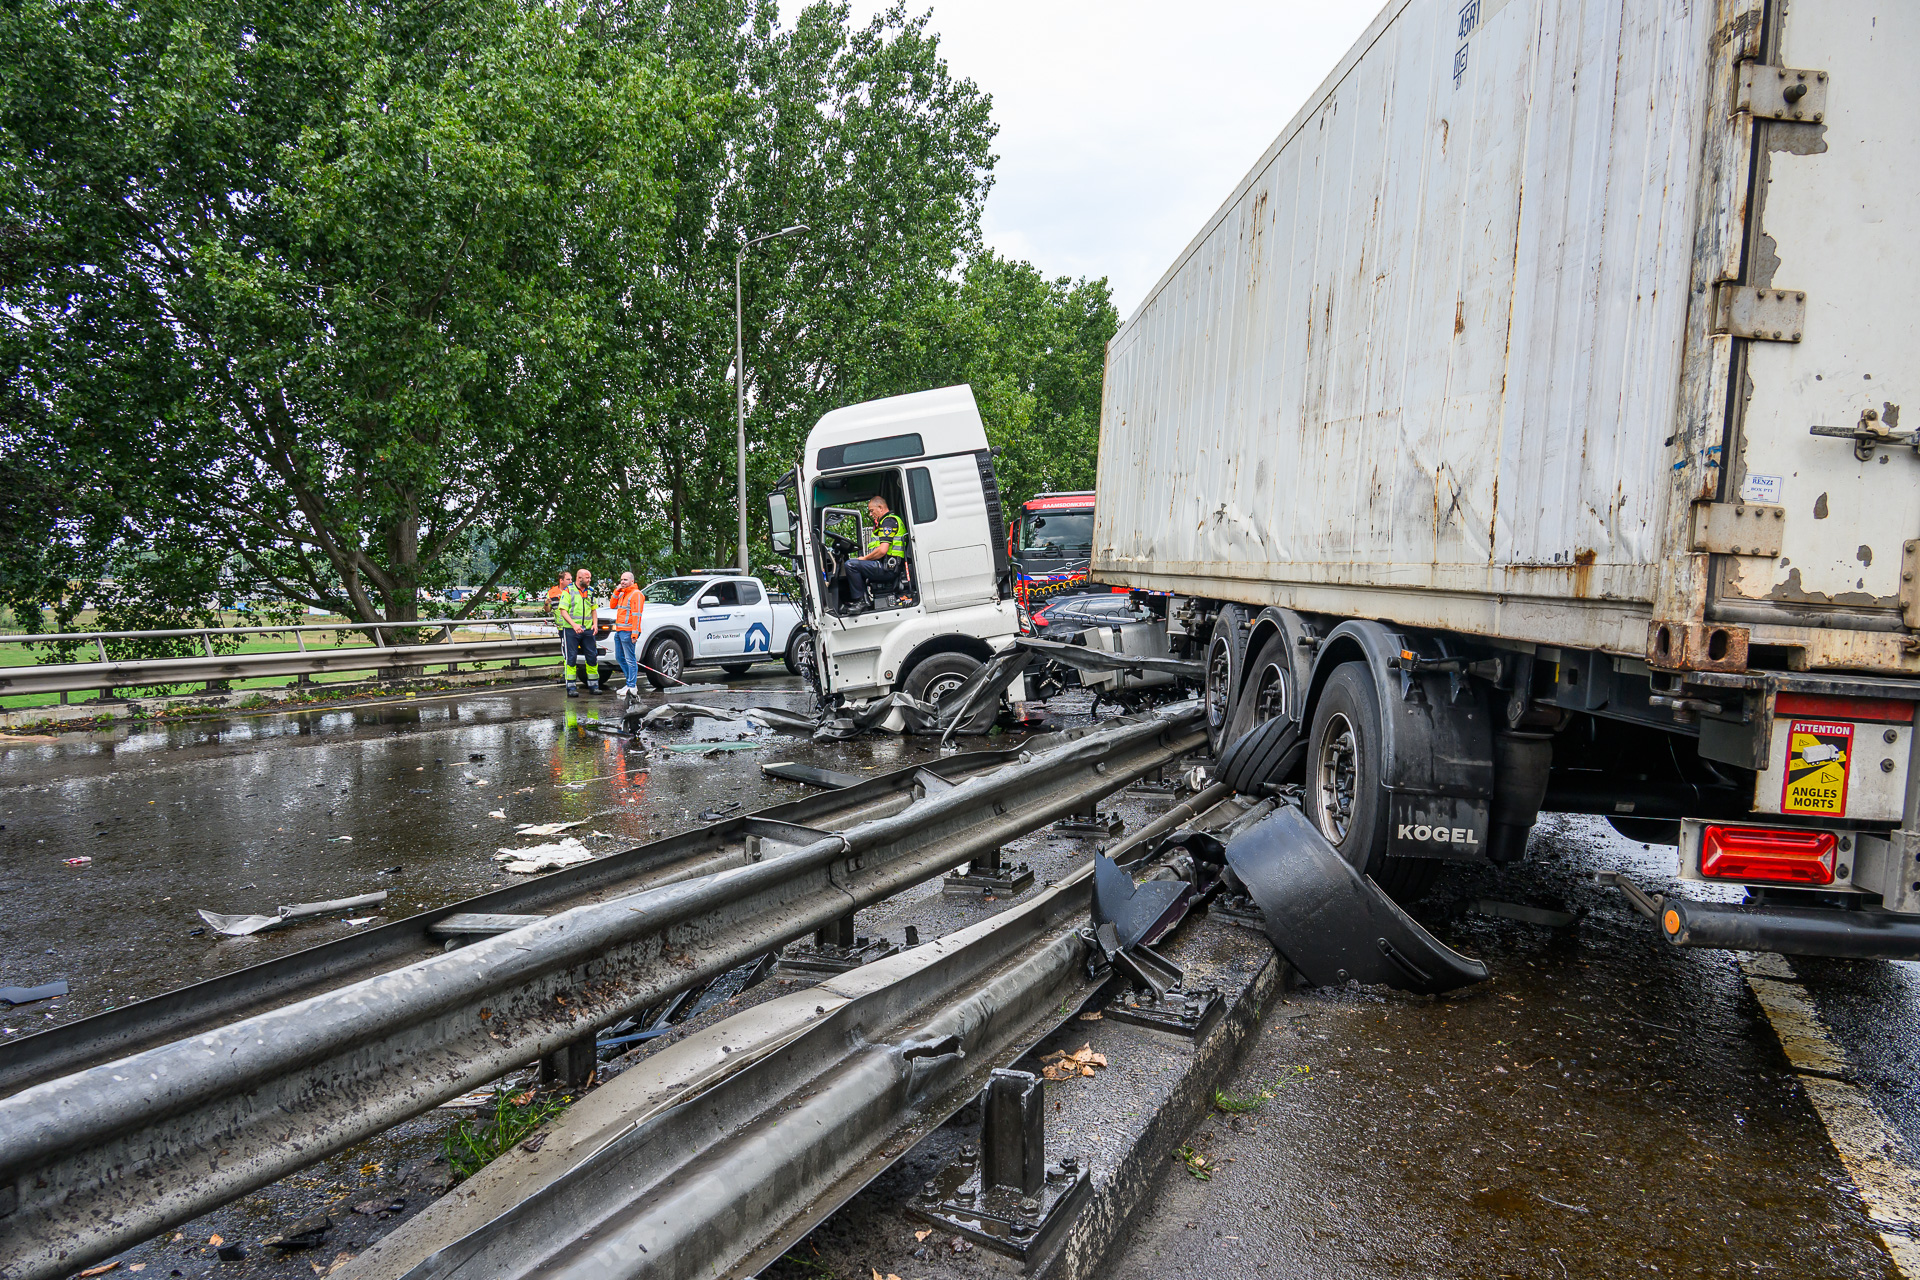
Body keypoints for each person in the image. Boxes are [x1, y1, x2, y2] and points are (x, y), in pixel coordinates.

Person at [845, 495, 905, 609]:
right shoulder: (888, 521)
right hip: (889, 566)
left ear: (880, 508)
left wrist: (864, 559)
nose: (871, 514)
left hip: (888, 568)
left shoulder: (889, 522)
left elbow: (883, 550)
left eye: (872, 511)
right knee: (858, 565)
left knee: (851, 565)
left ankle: (861, 601)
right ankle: (865, 600)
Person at [556, 568, 601, 696]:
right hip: (571, 630)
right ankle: (571, 687)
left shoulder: (591, 591)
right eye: (587, 578)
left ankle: (593, 685)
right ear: (579, 578)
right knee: (571, 657)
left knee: (592, 656)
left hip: (587, 630)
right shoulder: (568, 591)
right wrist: (574, 625)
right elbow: (563, 611)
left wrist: (595, 625)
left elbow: (593, 609)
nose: (589, 580)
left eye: (590, 578)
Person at [609, 571, 645, 697]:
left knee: (630, 659)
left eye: (625, 580)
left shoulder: (636, 594)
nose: (622, 582)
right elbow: (612, 605)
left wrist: (634, 634)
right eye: (621, 580)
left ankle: (631, 685)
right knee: (619, 657)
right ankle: (630, 683)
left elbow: (637, 615)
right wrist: (616, 591)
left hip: (628, 631)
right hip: (620, 630)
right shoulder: (623, 593)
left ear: (632, 581)